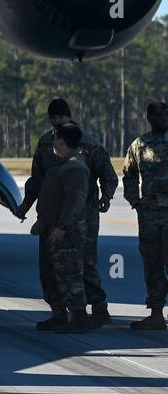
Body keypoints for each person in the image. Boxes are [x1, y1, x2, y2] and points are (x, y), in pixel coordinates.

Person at [33, 123, 91, 332]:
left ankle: (79, 316)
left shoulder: (75, 167)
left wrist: (62, 226)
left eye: (56, 139)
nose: (53, 143)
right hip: (52, 228)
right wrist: (42, 221)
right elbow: (51, 197)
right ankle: (58, 314)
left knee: (69, 274)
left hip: (67, 232)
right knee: (50, 273)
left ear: (62, 142)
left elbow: (75, 201)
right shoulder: (61, 165)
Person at [122, 101, 168, 330]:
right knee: (152, 263)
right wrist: (135, 201)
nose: (163, 118)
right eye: (158, 114)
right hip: (149, 215)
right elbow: (128, 174)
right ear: (149, 118)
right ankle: (157, 313)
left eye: (166, 113)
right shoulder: (139, 145)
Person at [76, 133, 118, 327]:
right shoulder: (48, 145)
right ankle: (67, 311)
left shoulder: (90, 147)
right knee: (61, 263)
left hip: (86, 214)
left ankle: (98, 307)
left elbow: (109, 177)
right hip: (60, 215)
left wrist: (106, 197)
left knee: (86, 262)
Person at [19, 98, 74, 219]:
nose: (57, 121)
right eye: (53, 118)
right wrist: (25, 205)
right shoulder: (45, 142)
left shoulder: (86, 141)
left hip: (79, 215)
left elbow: (105, 172)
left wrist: (106, 197)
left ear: (68, 116)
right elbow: (36, 179)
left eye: (61, 116)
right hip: (49, 212)